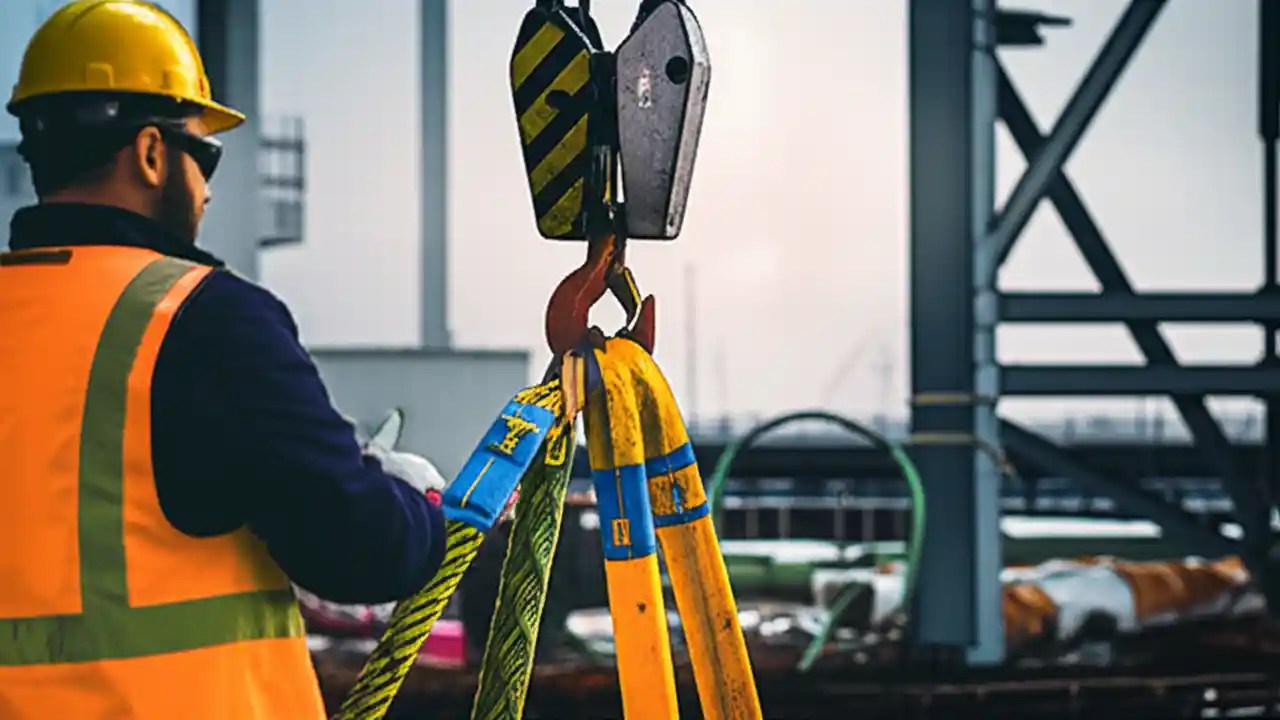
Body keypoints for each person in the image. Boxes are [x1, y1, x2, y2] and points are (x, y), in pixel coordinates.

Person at [0, 2, 451, 718]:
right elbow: (364, 549)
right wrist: (419, 505)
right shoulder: (203, 320)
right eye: (203, 155)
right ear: (152, 153)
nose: (208, 189)